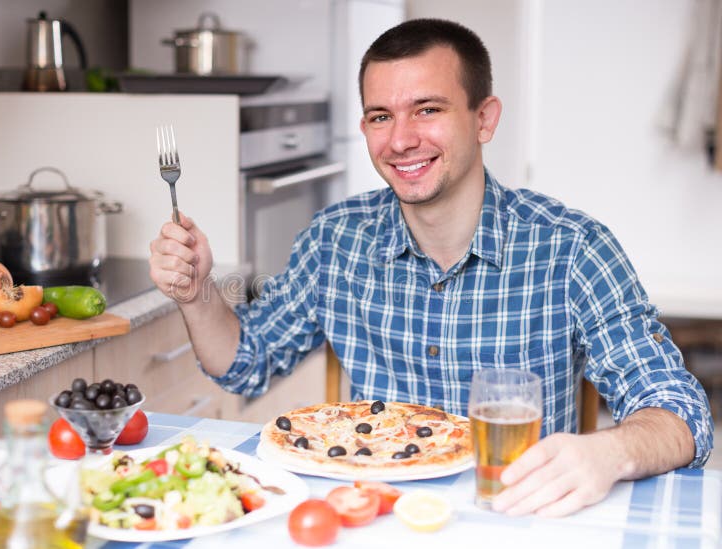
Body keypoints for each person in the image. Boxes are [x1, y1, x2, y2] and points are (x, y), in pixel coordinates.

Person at [149, 18, 713, 517]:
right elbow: (245, 364)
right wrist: (199, 294)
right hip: (373, 518)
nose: (400, 139)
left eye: (428, 109)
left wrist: (610, 451)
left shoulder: (572, 248)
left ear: (484, 119)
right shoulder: (334, 240)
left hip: (516, 514)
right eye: (379, 116)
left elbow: (682, 412)